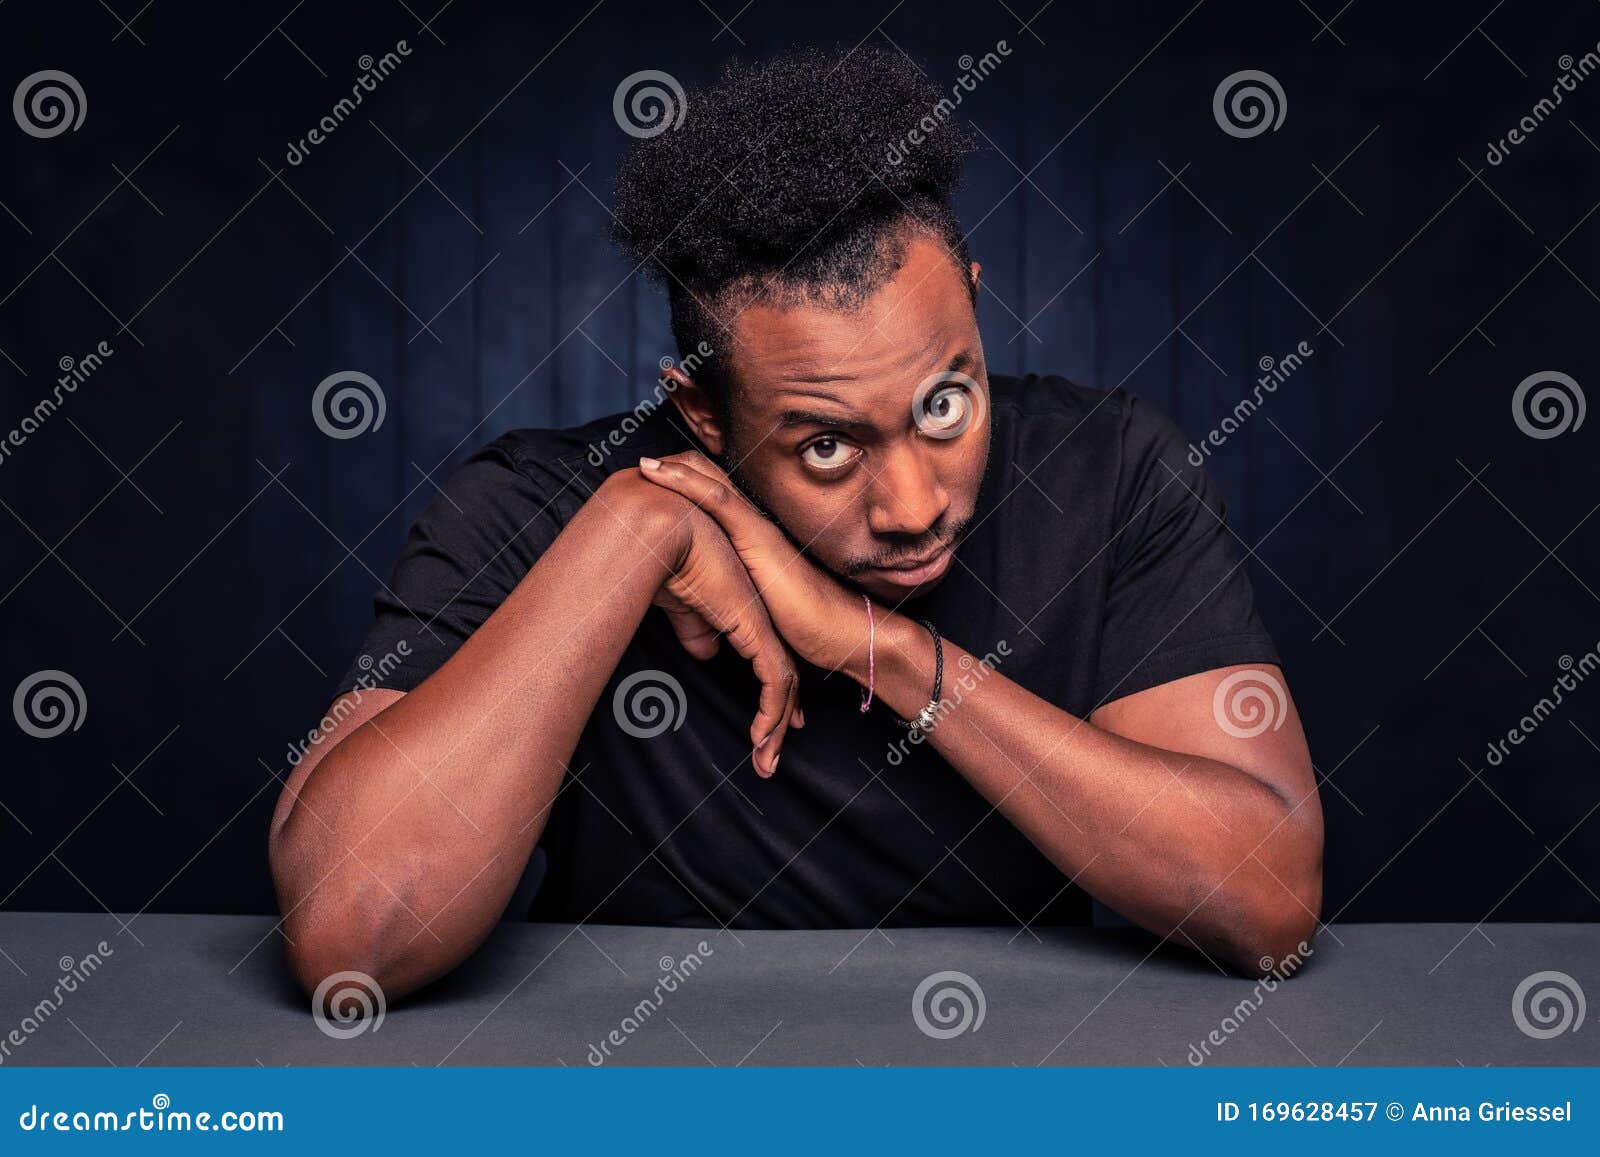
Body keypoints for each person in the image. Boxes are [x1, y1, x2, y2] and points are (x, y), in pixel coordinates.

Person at [267, 47, 1322, 1002]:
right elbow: (354, 934)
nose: (912, 507)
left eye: (944, 404)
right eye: (826, 445)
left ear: (972, 298)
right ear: (705, 414)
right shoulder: (531, 508)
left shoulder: (1110, 470)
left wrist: (886, 650)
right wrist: (637, 527)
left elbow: (1267, 902)